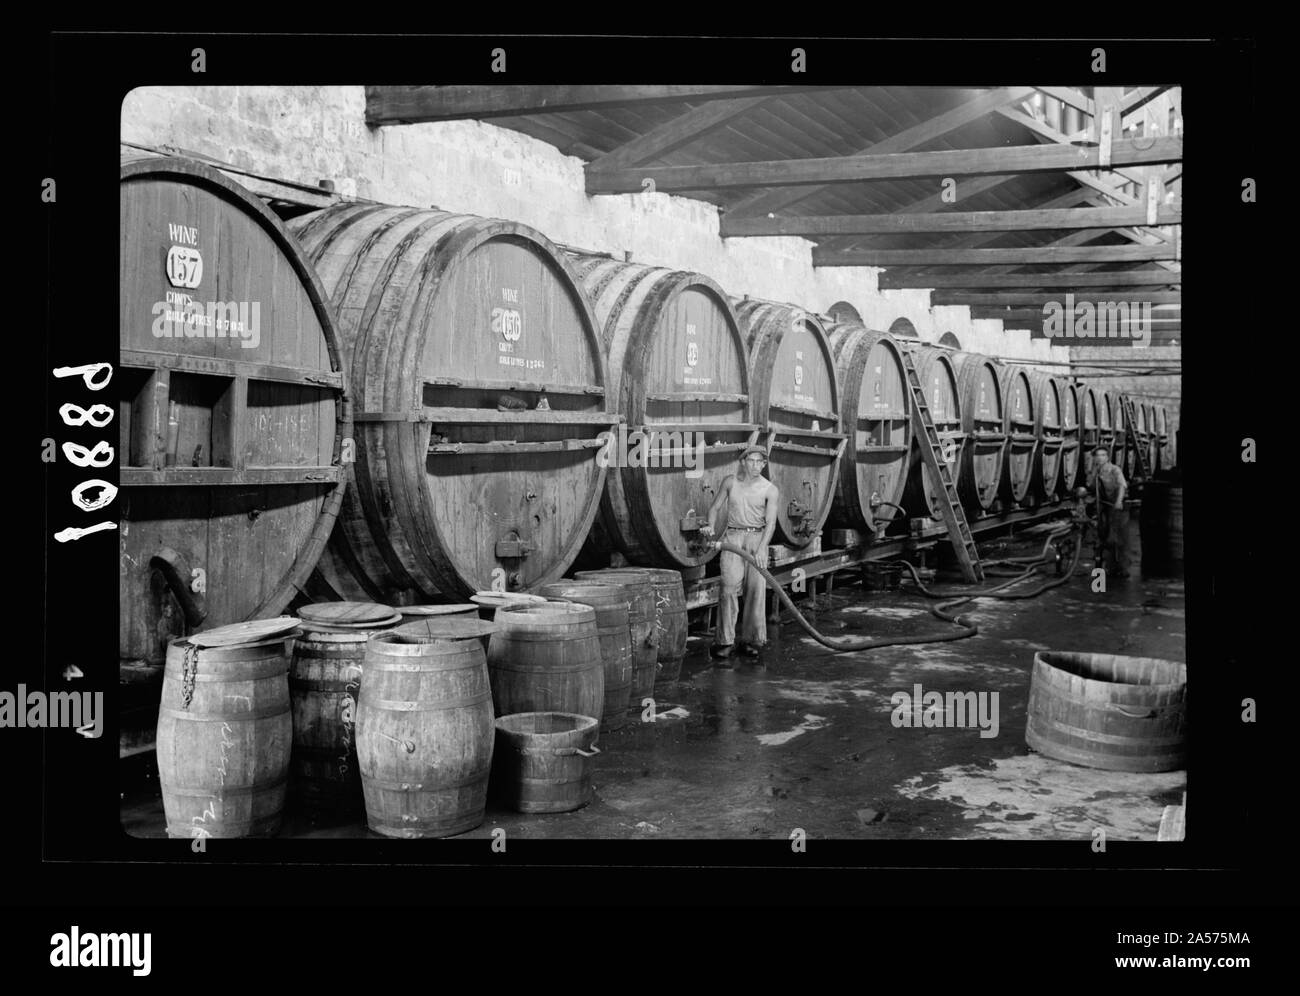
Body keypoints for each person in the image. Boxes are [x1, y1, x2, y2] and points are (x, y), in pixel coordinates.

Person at [700, 445, 779, 662]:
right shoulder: (730, 482)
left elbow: (771, 523)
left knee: (755, 590)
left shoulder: (770, 489)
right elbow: (714, 509)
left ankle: (751, 640)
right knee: (728, 588)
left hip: (757, 540)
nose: (755, 466)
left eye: (760, 462)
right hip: (732, 538)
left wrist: (763, 547)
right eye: (751, 461)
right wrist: (710, 526)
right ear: (743, 461)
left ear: (764, 464)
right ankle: (725, 641)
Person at [1092, 446, 1130, 579]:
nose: (1100, 458)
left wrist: (1119, 501)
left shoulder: (1115, 469)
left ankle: (1123, 569)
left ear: (1107, 457)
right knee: (1107, 536)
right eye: (1097, 456)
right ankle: (1111, 567)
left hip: (1119, 506)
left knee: (1119, 538)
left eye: (1102, 455)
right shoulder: (1097, 471)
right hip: (1107, 506)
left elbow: (1122, 486)